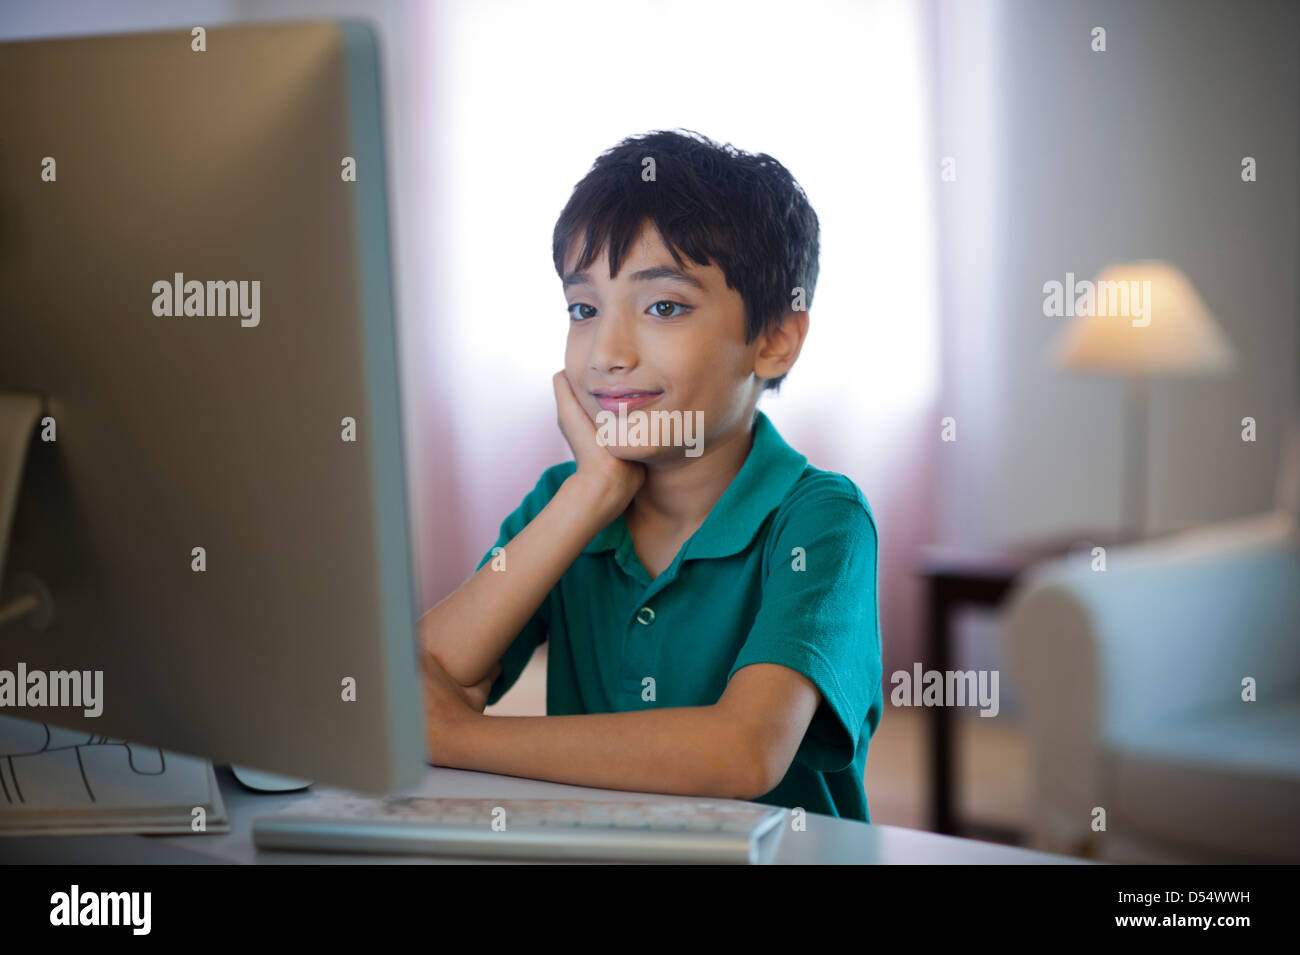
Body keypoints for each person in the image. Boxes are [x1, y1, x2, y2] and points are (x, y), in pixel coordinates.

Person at [419, 129, 882, 821]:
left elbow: (742, 750)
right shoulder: (564, 502)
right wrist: (592, 493)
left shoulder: (821, 518)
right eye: (584, 309)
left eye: (663, 306)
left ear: (774, 339)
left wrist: (464, 738)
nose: (606, 351)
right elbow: (419, 682)